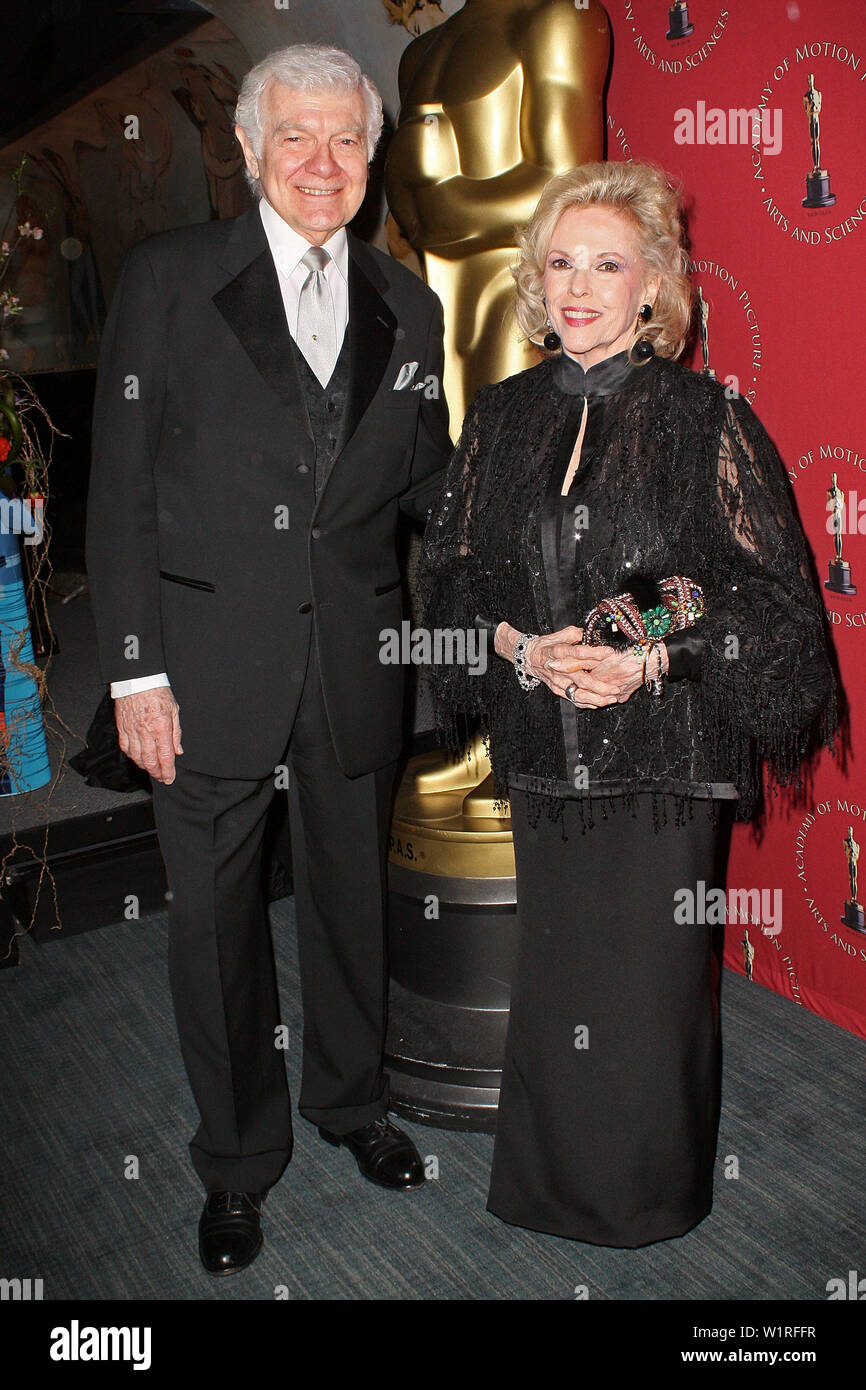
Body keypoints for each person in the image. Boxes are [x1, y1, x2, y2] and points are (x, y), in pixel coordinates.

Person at [418, 161, 837, 1247]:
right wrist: (520, 645)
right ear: (533, 279)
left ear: (653, 286)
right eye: (560, 262)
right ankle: (550, 1188)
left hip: (661, 754)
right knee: (558, 976)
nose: (579, 285)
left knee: (647, 993)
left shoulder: (703, 418)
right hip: (544, 747)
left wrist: (645, 654)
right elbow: (452, 579)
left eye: (606, 264)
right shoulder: (502, 417)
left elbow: (769, 604)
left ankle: (647, 1196)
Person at [86, 44, 452, 1275]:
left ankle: (351, 1103)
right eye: (293, 136)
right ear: (247, 150)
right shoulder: (169, 279)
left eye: (346, 139)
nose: (321, 162)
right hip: (201, 669)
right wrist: (134, 669)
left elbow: (428, 487)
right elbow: (119, 486)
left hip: (353, 661)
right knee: (216, 929)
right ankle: (237, 1162)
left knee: (355, 906)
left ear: (371, 154)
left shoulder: (413, 303)